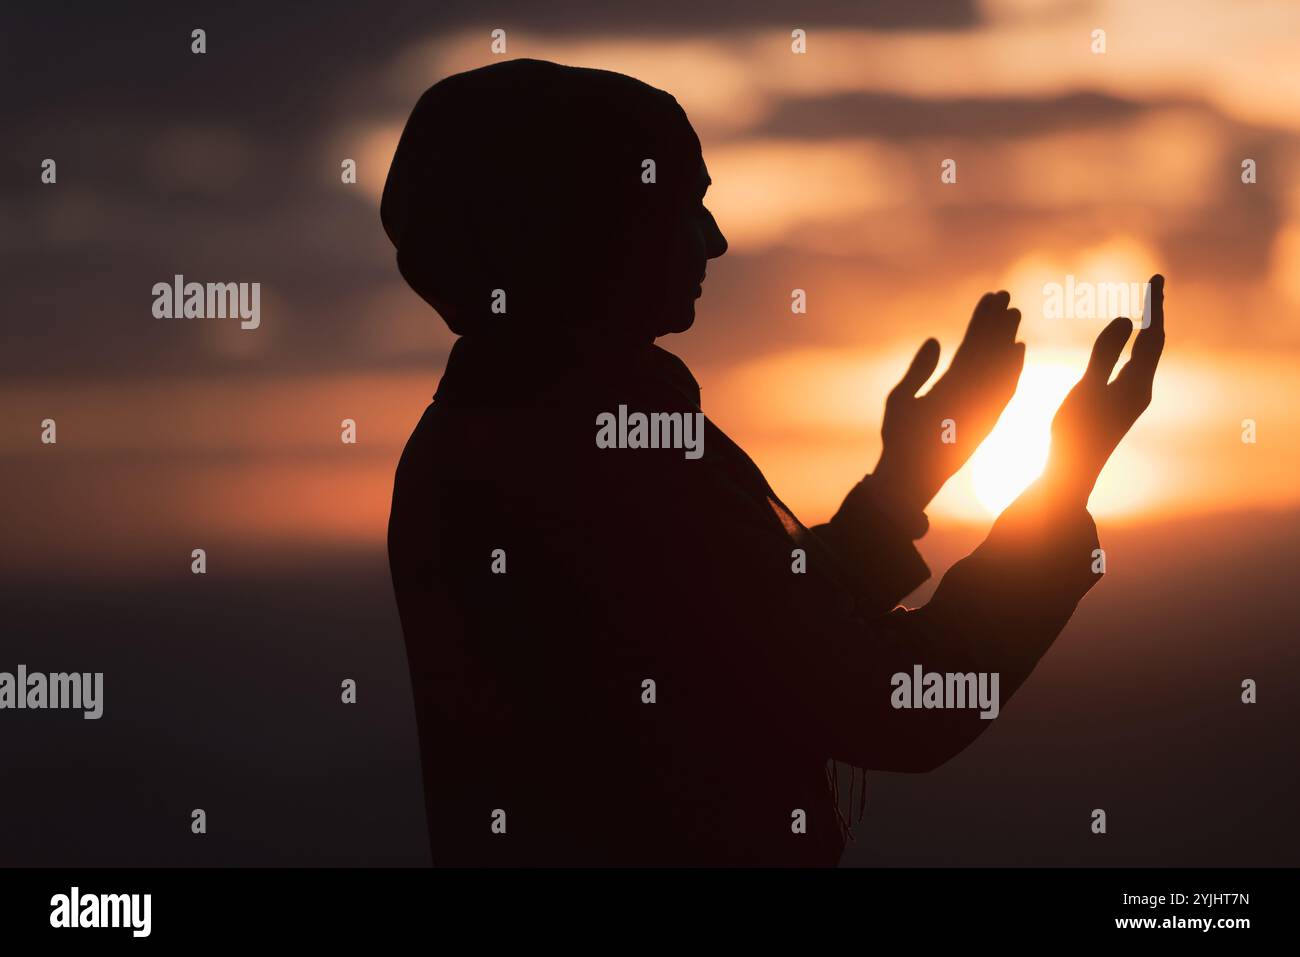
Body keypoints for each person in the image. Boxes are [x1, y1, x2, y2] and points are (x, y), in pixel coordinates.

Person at [381, 58, 1166, 866]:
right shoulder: (602, 453)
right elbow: (890, 702)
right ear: (587, 224)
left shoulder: (479, 433)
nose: (716, 241)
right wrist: (1064, 483)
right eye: (684, 206)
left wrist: (906, 481)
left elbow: (747, 631)